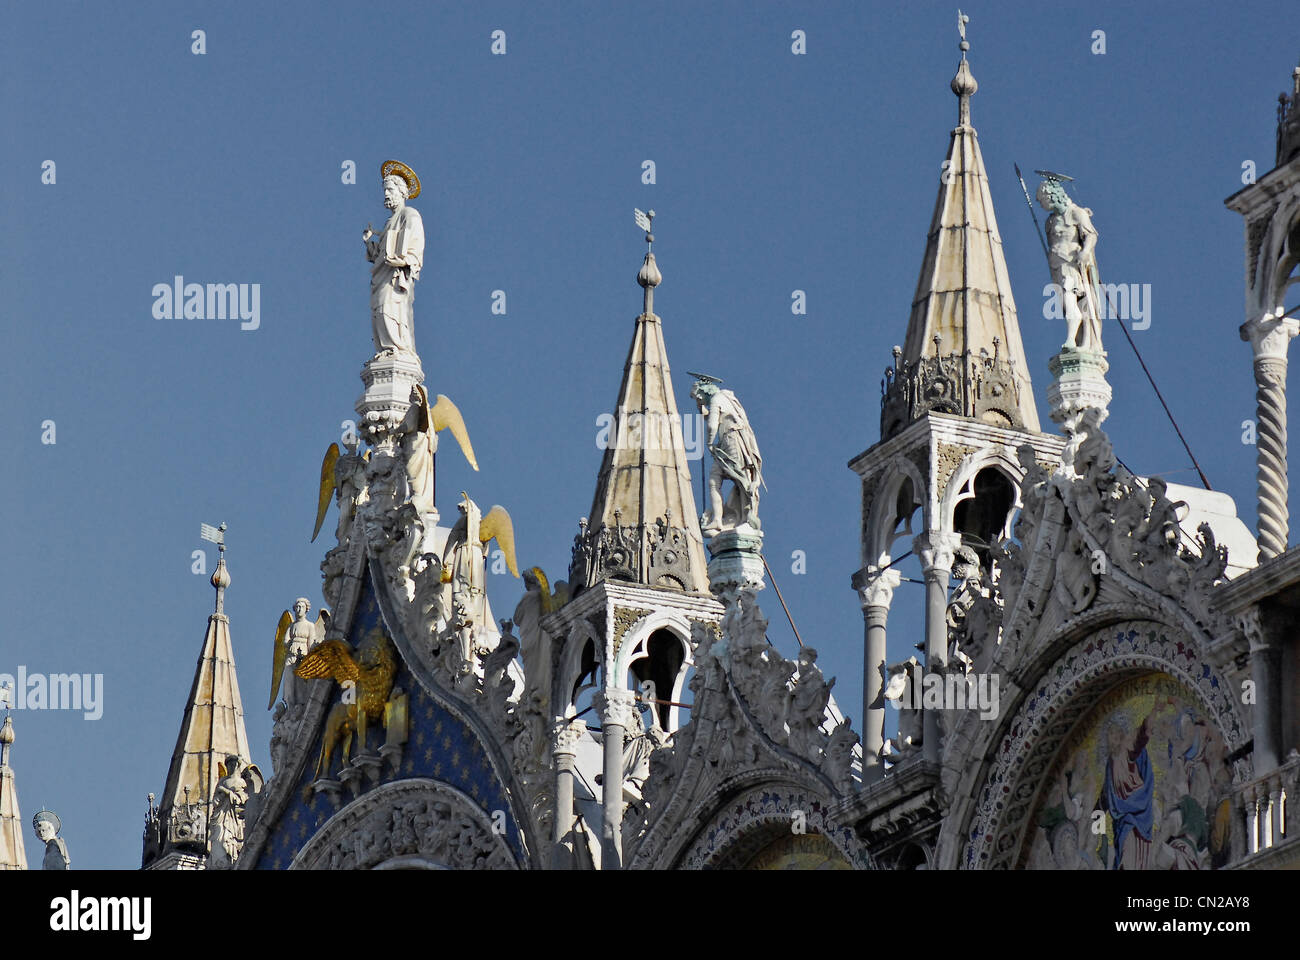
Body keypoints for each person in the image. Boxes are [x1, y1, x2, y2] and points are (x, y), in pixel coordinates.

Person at [364, 162, 425, 357]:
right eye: (385, 191)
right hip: (382, 274)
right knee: (379, 312)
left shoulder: (410, 215)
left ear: (402, 192)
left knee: (390, 309)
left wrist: (405, 259)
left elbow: (415, 244)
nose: (386, 195)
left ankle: (397, 349)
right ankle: (386, 349)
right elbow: (380, 254)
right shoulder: (389, 222)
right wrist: (370, 244)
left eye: (390, 190)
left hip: (396, 275)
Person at [1037, 178, 1102, 352]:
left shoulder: (1076, 213)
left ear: (1052, 195)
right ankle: (1079, 339)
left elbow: (1091, 235)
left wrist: (1085, 252)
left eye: (1042, 200)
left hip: (1071, 264)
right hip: (1056, 265)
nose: (1041, 205)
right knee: (1066, 303)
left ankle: (1071, 339)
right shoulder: (1049, 222)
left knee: (1071, 298)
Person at [691, 378, 762, 535]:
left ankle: (747, 517)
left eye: (698, 397)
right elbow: (716, 416)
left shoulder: (717, 399)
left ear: (705, 391)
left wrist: (709, 443)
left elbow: (712, 424)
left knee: (741, 479)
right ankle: (717, 520)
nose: (699, 400)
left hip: (732, 441)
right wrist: (703, 409)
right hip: (729, 441)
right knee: (714, 480)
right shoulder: (727, 398)